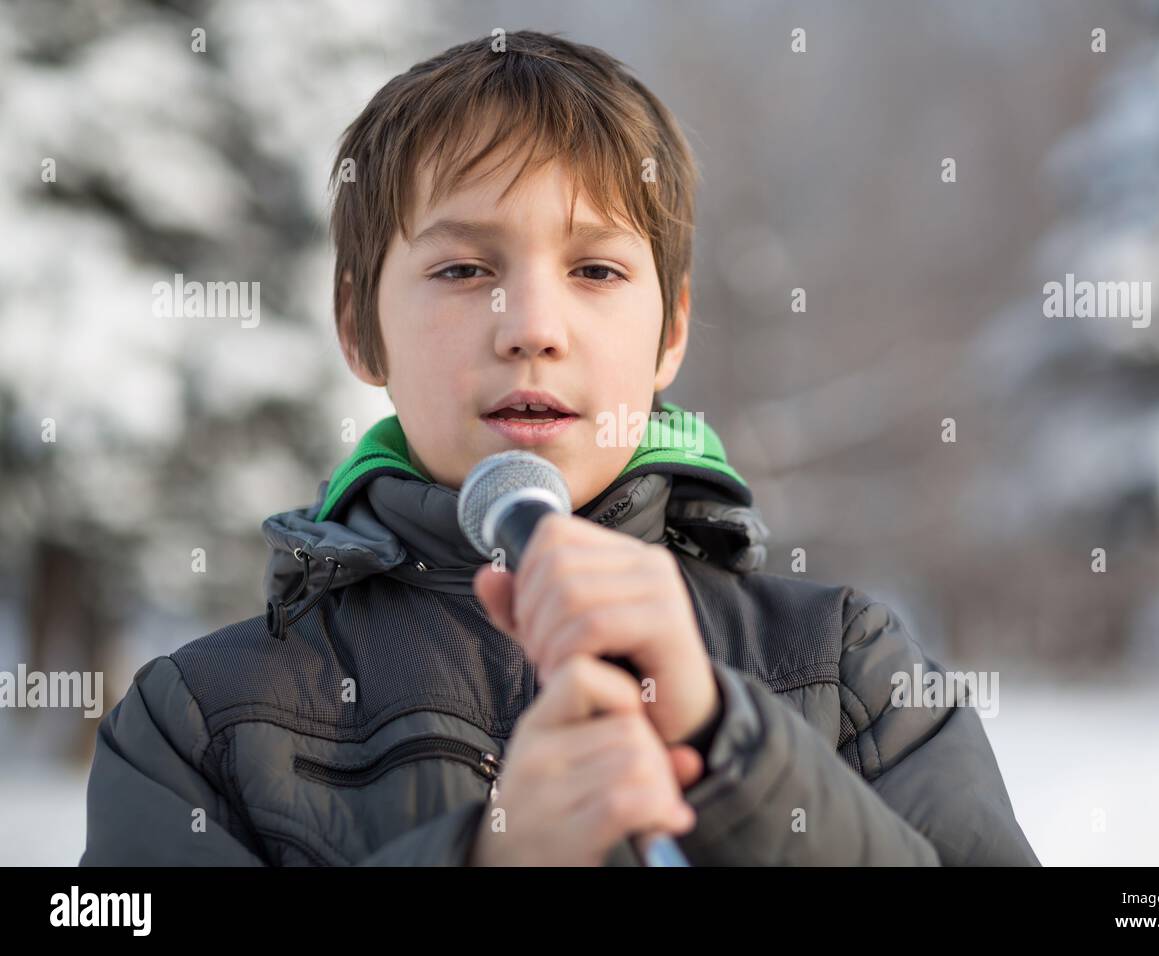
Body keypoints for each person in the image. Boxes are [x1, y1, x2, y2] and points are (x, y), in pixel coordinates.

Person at [80, 29, 1039, 866]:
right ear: (358, 327)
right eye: (462, 268)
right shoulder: (199, 721)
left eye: (596, 269)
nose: (531, 325)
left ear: (672, 331)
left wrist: (729, 750)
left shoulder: (846, 670)